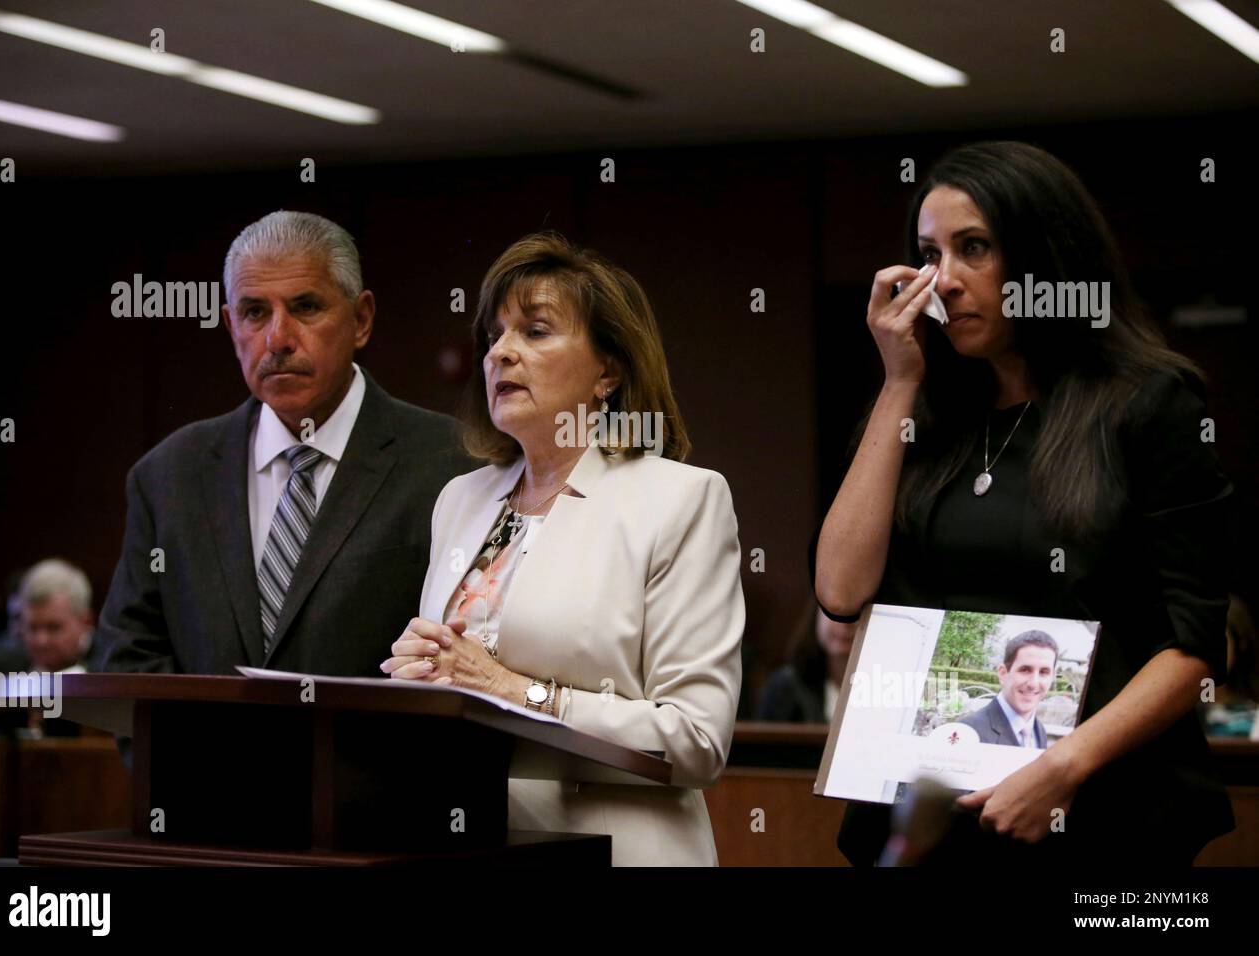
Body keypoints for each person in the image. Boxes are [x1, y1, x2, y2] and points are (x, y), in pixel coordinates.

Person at [813, 142, 1234, 866]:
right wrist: (897, 382)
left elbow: (1195, 644)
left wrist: (1062, 767)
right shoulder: (927, 411)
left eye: (973, 248)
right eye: (928, 253)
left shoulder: (1147, 403)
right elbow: (841, 591)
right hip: (929, 810)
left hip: (1095, 803)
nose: (942, 280)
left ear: (1045, 258)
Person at [383, 232, 745, 866]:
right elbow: (461, 679)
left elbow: (695, 741)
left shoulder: (680, 500)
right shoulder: (460, 501)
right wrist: (417, 680)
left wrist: (515, 691)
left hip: (615, 849)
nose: (502, 353)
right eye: (494, 336)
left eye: (536, 331)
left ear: (608, 370)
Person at [99, 211, 474, 675]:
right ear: (230, 326)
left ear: (361, 319)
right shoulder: (169, 475)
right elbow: (128, 659)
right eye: (254, 312)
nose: (277, 339)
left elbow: (469, 657)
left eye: (305, 307)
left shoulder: (451, 463)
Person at [952, 631, 1057, 749]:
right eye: (1025, 670)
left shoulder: (1039, 731)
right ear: (1003, 673)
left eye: (1044, 672)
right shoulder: (968, 733)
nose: (1033, 683)